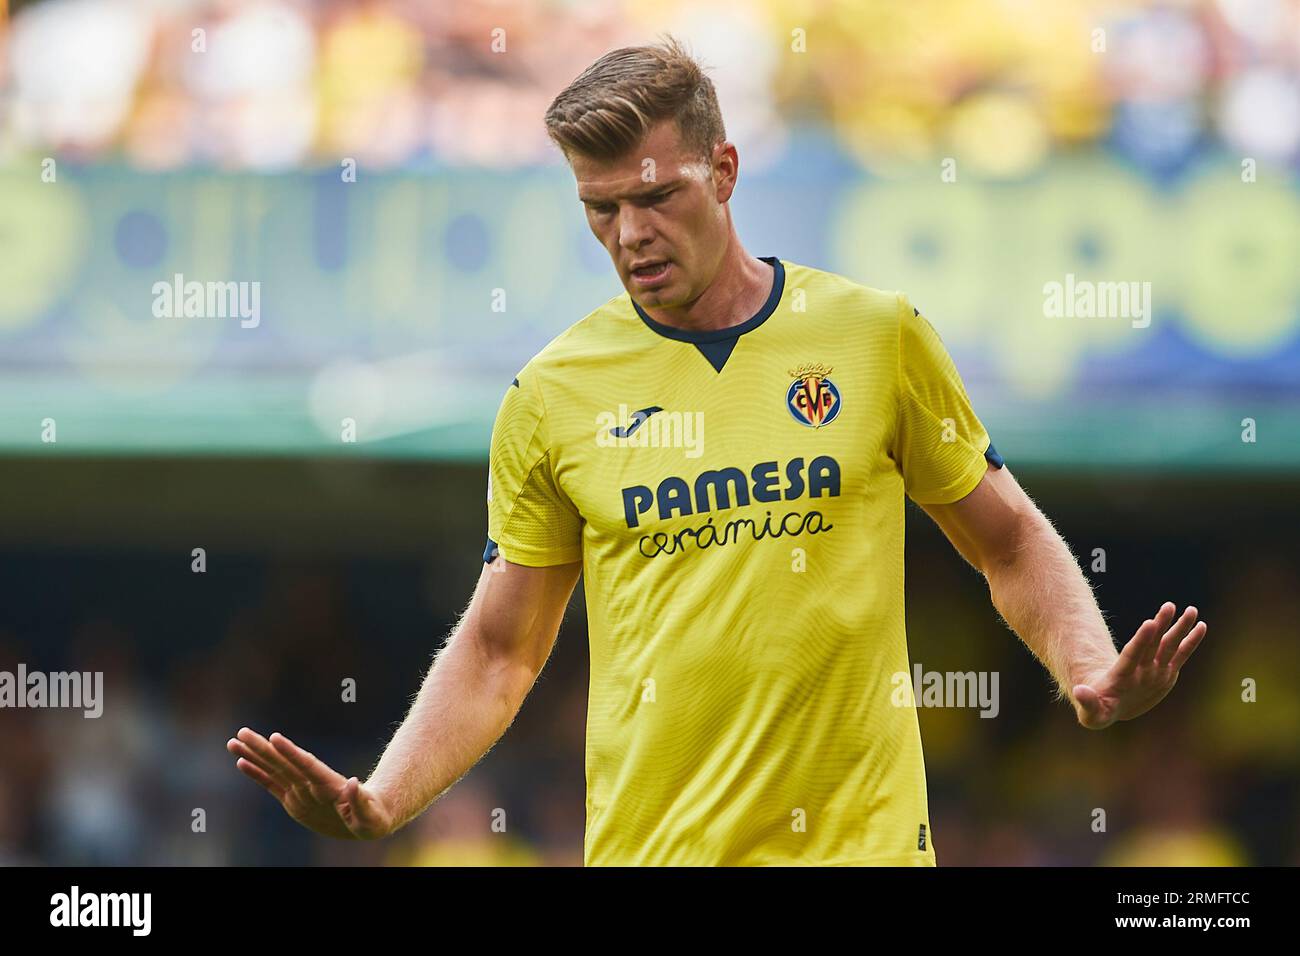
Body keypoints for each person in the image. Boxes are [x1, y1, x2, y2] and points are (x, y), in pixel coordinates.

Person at [229, 36, 1207, 866]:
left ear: (726, 172)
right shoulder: (551, 395)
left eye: (656, 195)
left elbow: (1008, 539)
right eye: (600, 208)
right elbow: (500, 648)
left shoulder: (876, 337)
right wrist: (384, 797)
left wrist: (1087, 667)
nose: (630, 235)